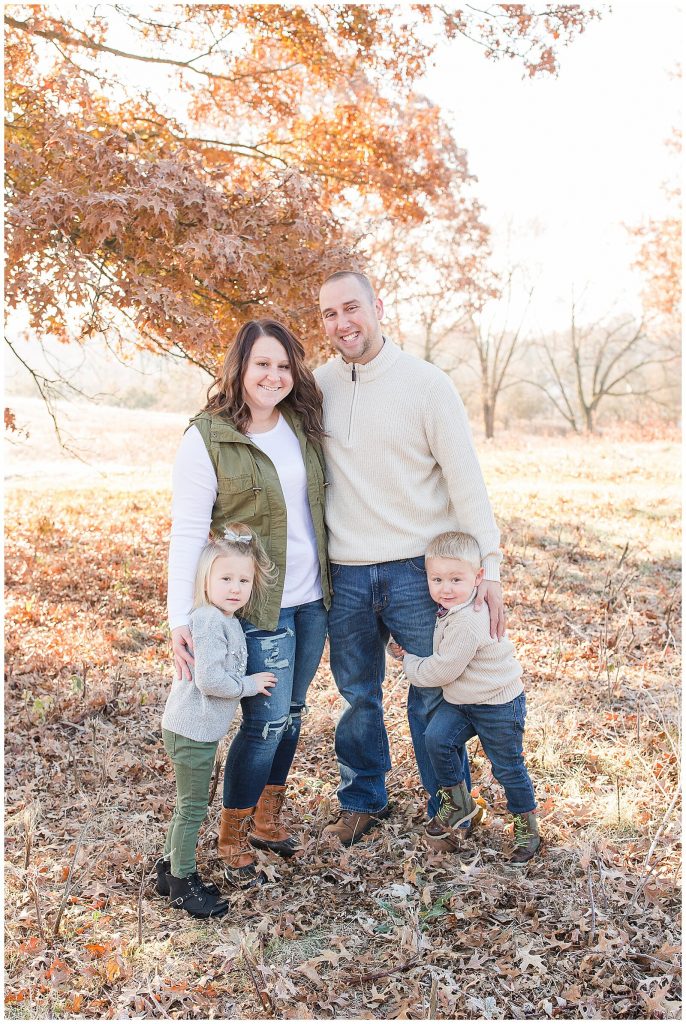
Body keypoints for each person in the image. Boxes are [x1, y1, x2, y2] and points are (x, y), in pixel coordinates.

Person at [314, 270, 505, 846]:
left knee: (433, 692)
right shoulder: (315, 386)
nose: (342, 323)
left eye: (352, 308)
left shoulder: (427, 385)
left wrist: (488, 568)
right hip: (345, 570)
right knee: (357, 695)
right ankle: (363, 798)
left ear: (377, 306)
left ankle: (449, 805)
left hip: (416, 571)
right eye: (328, 314)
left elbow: (466, 481)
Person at [168, 319, 331, 887]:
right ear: (239, 367)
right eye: (262, 363)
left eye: (284, 365)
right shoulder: (208, 436)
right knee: (264, 724)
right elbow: (187, 532)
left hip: (314, 600)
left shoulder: (301, 425)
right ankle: (232, 833)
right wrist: (179, 617)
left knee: (292, 716)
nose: (273, 375)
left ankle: (267, 819)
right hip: (254, 607)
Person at [388, 531, 540, 864]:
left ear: (478, 577)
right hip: (463, 702)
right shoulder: (451, 609)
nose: (446, 588)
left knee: (508, 768)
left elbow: (442, 671)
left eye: (456, 579)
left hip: (497, 704)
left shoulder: (469, 619)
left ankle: (527, 827)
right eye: (437, 579)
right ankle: (459, 801)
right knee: (437, 738)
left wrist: (408, 661)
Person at [158, 529, 278, 918]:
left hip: (194, 729)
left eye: (243, 580)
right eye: (225, 579)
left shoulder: (223, 618)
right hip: (190, 731)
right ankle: (182, 883)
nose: (235, 588)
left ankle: (168, 870)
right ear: (205, 581)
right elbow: (210, 681)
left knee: (187, 805)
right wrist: (250, 684)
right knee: (192, 808)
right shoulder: (210, 620)